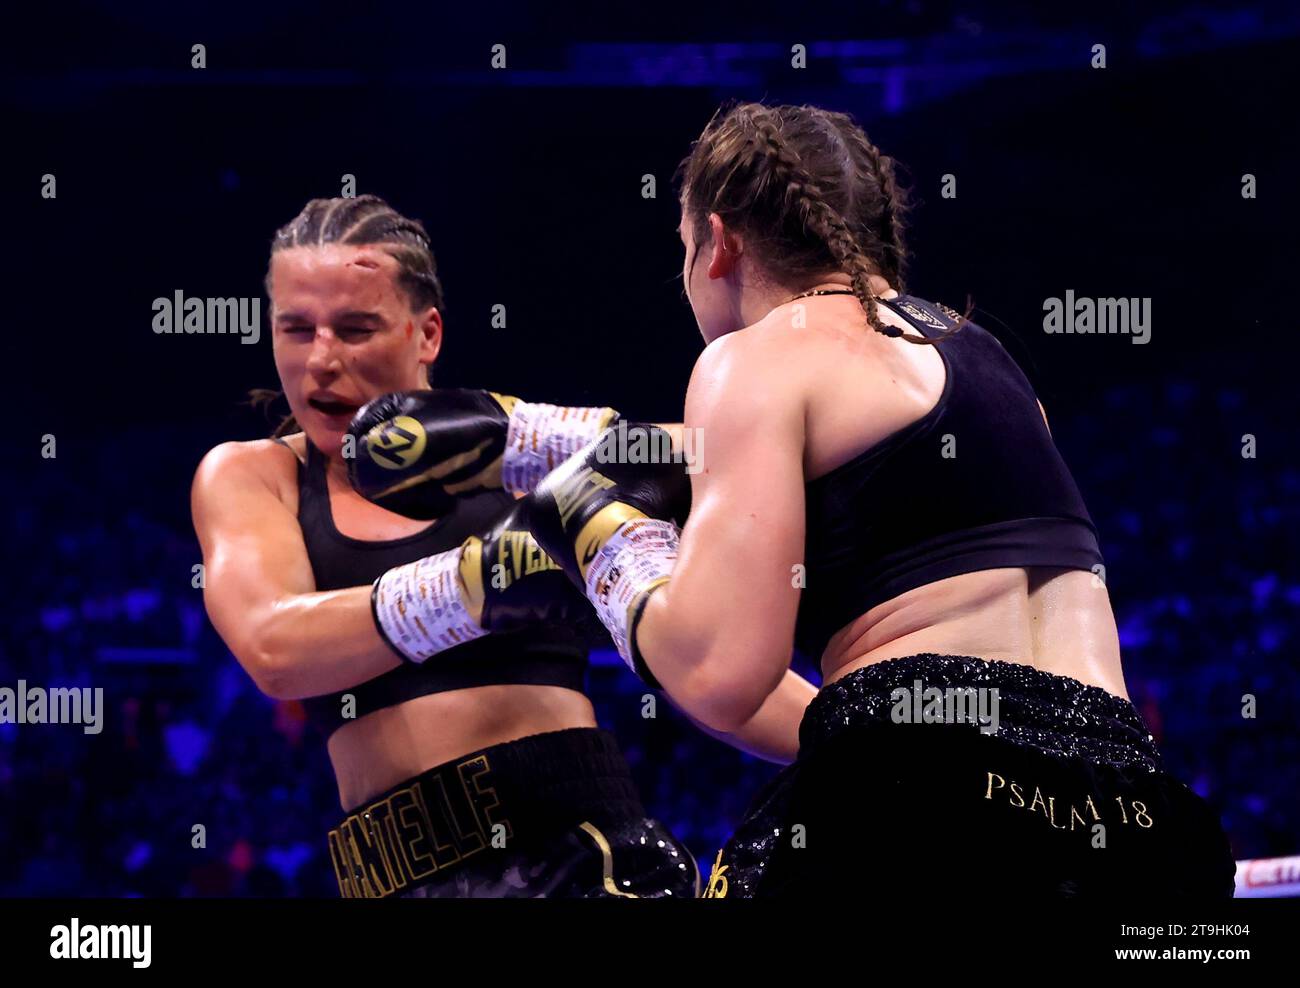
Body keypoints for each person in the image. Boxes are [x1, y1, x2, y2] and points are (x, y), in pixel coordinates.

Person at [515, 102, 1237, 899]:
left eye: (683, 249)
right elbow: (885, 701)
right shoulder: (988, 358)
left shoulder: (750, 361)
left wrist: (602, 535)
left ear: (718, 243)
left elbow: (720, 671)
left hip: (921, 800)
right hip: (1133, 811)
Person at [191, 194, 811, 898]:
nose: (321, 360)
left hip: (579, 852)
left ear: (427, 335)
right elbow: (275, 649)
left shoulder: (516, 460)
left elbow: (702, 619)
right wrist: (479, 583)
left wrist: (845, 737)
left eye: (356, 328)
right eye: (295, 329)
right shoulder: (253, 477)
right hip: (390, 875)